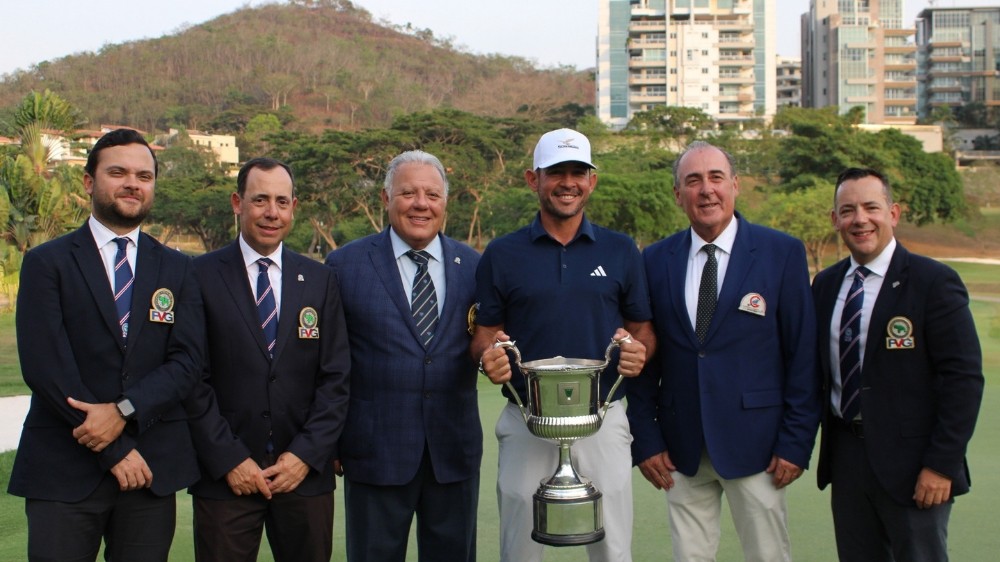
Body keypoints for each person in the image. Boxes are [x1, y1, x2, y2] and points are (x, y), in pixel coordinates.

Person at [8, 128, 206, 561]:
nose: (132, 184)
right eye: (118, 173)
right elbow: (45, 366)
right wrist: (113, 449)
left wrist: (123, 411)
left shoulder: (178, 269)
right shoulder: (47, 263)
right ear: (88, 181)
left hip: (149, 470)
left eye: (144, 176)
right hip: (64, 467)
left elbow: (187, 363)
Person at [626, 141, 820, 561]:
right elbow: (644, 357)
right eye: (693, 181)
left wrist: (795, 442)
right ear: (678, 194)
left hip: (759, 446)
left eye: (716, 178)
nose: (706, 190)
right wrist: (646, 439)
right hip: (681, 448)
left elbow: (803, 356)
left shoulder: (781, 253)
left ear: (735, 185)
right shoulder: (655, 260)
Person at [472, 128, 655, 562]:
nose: (567, 183)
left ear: (592, 180)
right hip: (527, 417)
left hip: (602, 416)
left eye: (578, 172)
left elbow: (642, 329)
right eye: (556, 172)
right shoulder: (502, 253)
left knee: (612, 547)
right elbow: (485, 333)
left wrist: (639, 351)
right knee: (518, 546)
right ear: (533, 179)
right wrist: (487, 357)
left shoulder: (620, 249)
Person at [812, 167, 984, 561]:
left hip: (915, 466)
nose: (860, 219)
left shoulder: (933, 281)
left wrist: (941, 466)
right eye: (848, 210)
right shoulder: (826, 285)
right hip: (847, 460)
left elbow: (963, 380)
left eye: (871, 207)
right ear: (835, 219)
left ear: (894, 213)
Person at [184, 157, 351, 561]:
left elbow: (336, 378)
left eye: (281, 201)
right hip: (226, 477)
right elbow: (191, 379)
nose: (271, 212)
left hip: (303, 477)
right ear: (237, 203)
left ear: (294, 207)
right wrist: (230, 459)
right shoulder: (199, 275)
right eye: (260, 200)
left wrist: (304, 456)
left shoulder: (320, 280)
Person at [325, 150, 482, 561]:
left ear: (445, 202)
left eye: (432, 194)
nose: (420, 204)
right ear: (385, 198)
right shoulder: (344, 266)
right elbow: (328, 364)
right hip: (374, 452)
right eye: (408, 193)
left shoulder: (475, 266)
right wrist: (330, 440)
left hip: (453, 452)